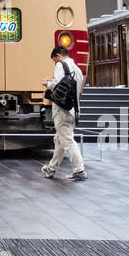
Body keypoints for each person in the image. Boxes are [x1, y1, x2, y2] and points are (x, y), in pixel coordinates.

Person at [42, 46, 86, 181]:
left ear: (58, 55)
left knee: (67, 140)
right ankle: (51, 169)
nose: (55, 63)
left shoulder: (61, 65)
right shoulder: (77, 69)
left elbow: (56, 83)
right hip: (72, 109)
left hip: (61, 110)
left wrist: (47, 84)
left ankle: (79, 170)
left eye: (55, 60)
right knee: (59, 140)